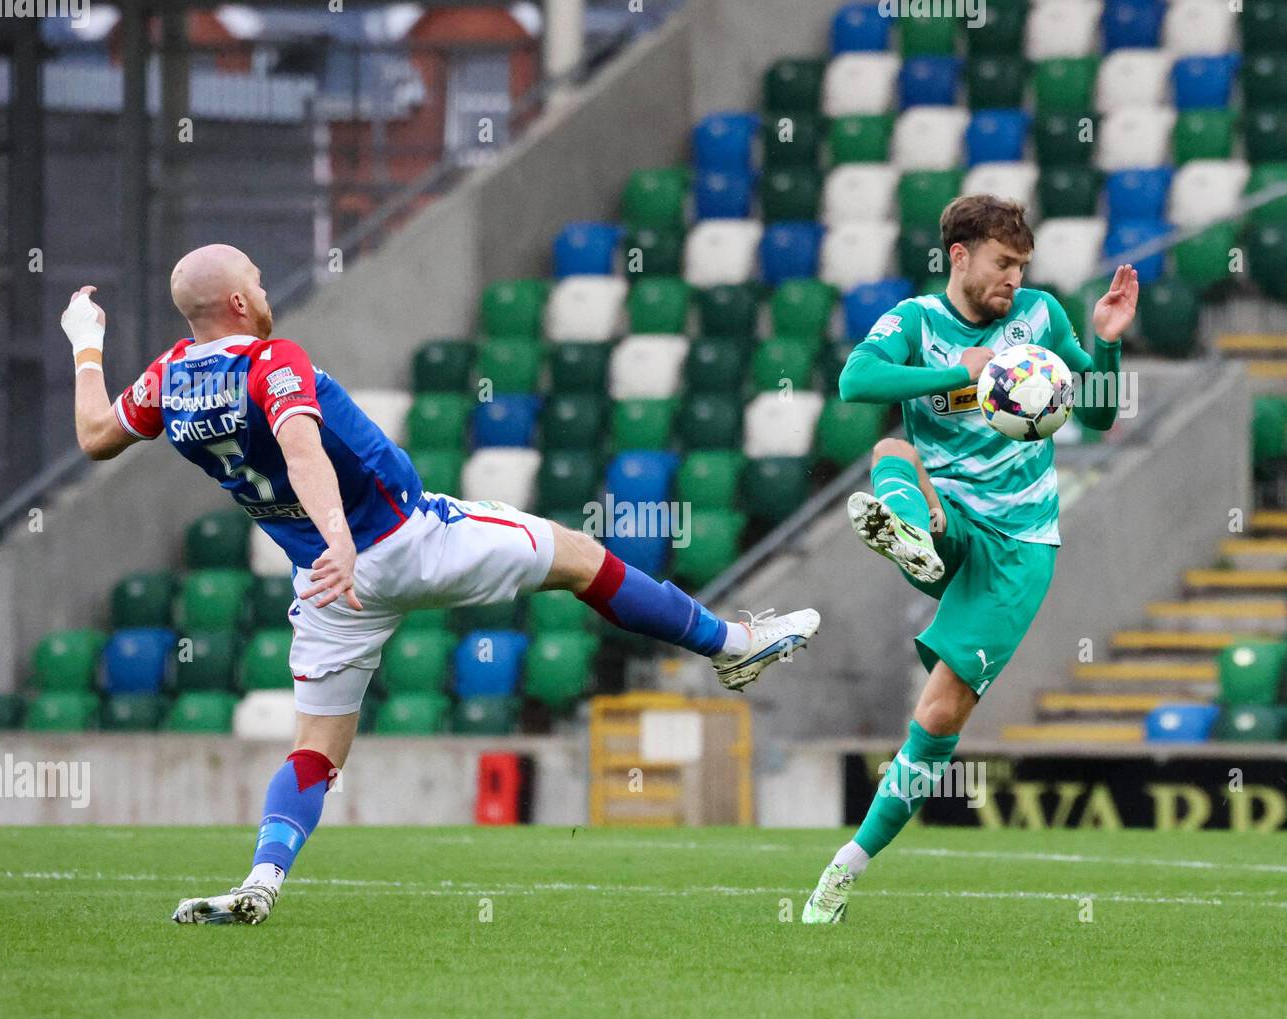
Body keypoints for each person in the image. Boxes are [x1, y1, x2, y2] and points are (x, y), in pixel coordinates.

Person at [60, 243, 820, 925]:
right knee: (582, 559)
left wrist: (86, 346)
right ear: (237, 303)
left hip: (326, 588)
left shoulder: (167, 380)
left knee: (317, 750)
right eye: (257, 282)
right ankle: (732, 644)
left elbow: (97, 438)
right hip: (404, 540)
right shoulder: (272, 360)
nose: (265, 294)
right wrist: (341, 539)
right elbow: (302, 449)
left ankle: (262, 878)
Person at [801, 196, 1138, 923]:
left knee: (940, 712)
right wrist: (961, 375)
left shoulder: (1043, 317)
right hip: (947, 510)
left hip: (1017, 548)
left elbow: (1102, 415)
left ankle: (843, 870)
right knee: (890, 448)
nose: (1013, 279)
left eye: (1021, 266)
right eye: (1002, 264)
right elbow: (855, 382)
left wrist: (1106, 343)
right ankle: (913, 533)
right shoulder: (918, 322)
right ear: (960, 256)